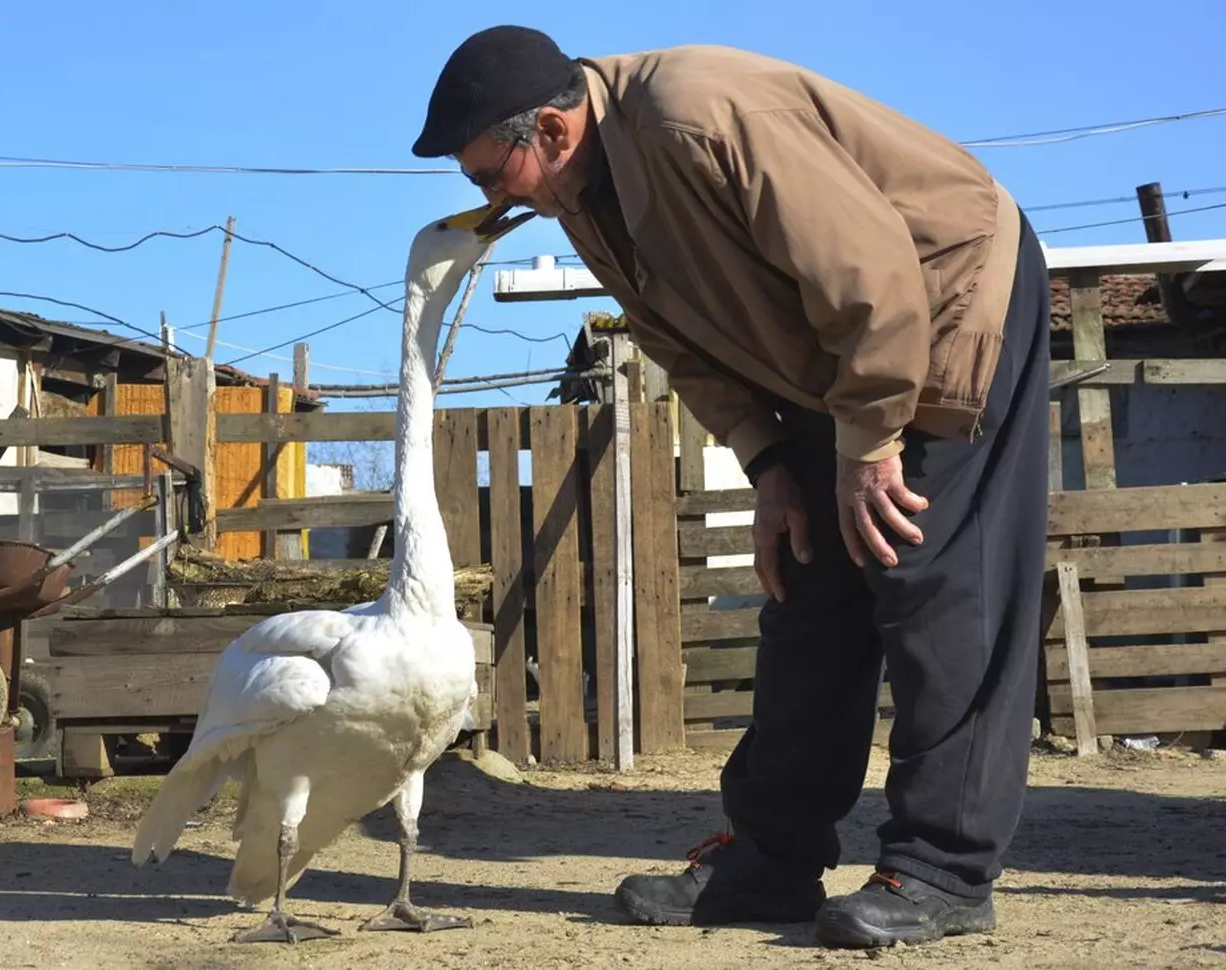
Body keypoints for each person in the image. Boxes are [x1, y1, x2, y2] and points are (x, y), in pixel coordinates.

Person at [412, 25, 1050, 950]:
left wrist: (869, 443)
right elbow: (680, 342)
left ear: (549, 131)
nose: (488, 199)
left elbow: (869, 273)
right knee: (808, 581)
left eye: (486, 175)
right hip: (836, 352)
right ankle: (772, 858)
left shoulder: (694, 119)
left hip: (947, 297)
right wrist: (769, 463)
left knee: (928, 576)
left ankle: (943, 870)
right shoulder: (582, 195)